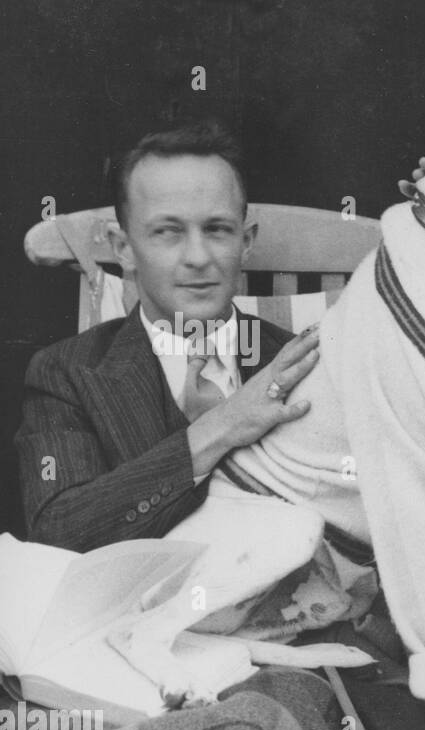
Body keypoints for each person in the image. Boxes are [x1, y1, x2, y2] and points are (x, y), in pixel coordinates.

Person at [15, 122, 312, 552]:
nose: (197, 257)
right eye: (167, 232)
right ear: (122, 248)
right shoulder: (66, 372)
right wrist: (221, 427)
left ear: (246, 242)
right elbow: (58, 532)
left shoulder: (301, 360)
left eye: (217, 229)